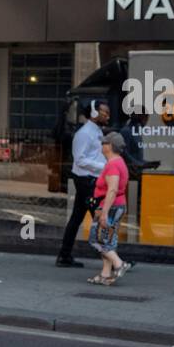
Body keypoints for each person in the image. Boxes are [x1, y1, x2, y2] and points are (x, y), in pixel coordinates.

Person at [56, 100, 111, 268]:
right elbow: (79, 159)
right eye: (104, 113)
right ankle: (115, 260)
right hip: (87, 182)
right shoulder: (85, 133)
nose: (107, 116)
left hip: (89, 181)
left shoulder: (97, 132)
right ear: (94, 113)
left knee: (76, 219)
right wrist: (104, 167)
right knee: (103, 218)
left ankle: (64, 256)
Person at [87, 131, 133, 286]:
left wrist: (104, 212)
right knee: (107, 240)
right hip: (117, 206)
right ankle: (105, 275)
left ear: (110, 146)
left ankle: (119, 264)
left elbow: (112, 190)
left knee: (96, 240)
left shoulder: (113, 164)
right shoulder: (119, 162)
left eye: (104, 143)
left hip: (110, 207)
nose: (102, 145)